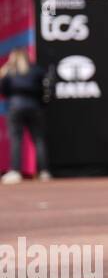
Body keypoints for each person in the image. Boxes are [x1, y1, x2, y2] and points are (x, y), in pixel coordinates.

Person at [0, 48, 51, 183]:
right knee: (38, 139)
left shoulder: (9, 72)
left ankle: (15, 171)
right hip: (35, 107)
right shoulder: (36, 70)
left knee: (16, 140)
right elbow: (44, 88)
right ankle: (44, 171)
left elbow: (3, 90)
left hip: (15, 107)